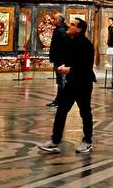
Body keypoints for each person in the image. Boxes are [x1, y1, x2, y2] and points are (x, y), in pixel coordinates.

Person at [39, 18, 97, 154]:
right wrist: (62, 66)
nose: (69, 26)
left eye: (73, 25)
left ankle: (87, 141)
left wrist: (69, 69)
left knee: (85, 112)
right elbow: (65, 57)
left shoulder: (86, 45)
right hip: (71, 82)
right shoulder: (69, 41)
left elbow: (86, 67)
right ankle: (55, 140)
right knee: (61, 111)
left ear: (80, 29)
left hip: (83, 83)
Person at [46, 18, 68, 108]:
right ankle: (59, 100)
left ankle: (61, 101)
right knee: (60, 81)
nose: (53, 20)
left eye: (54, 18)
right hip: (58, 59)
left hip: (60, 60)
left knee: (62, 81)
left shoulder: (61, 30)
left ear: (59, 20)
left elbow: (64, 46)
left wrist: (63, 61)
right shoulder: (59, 29)